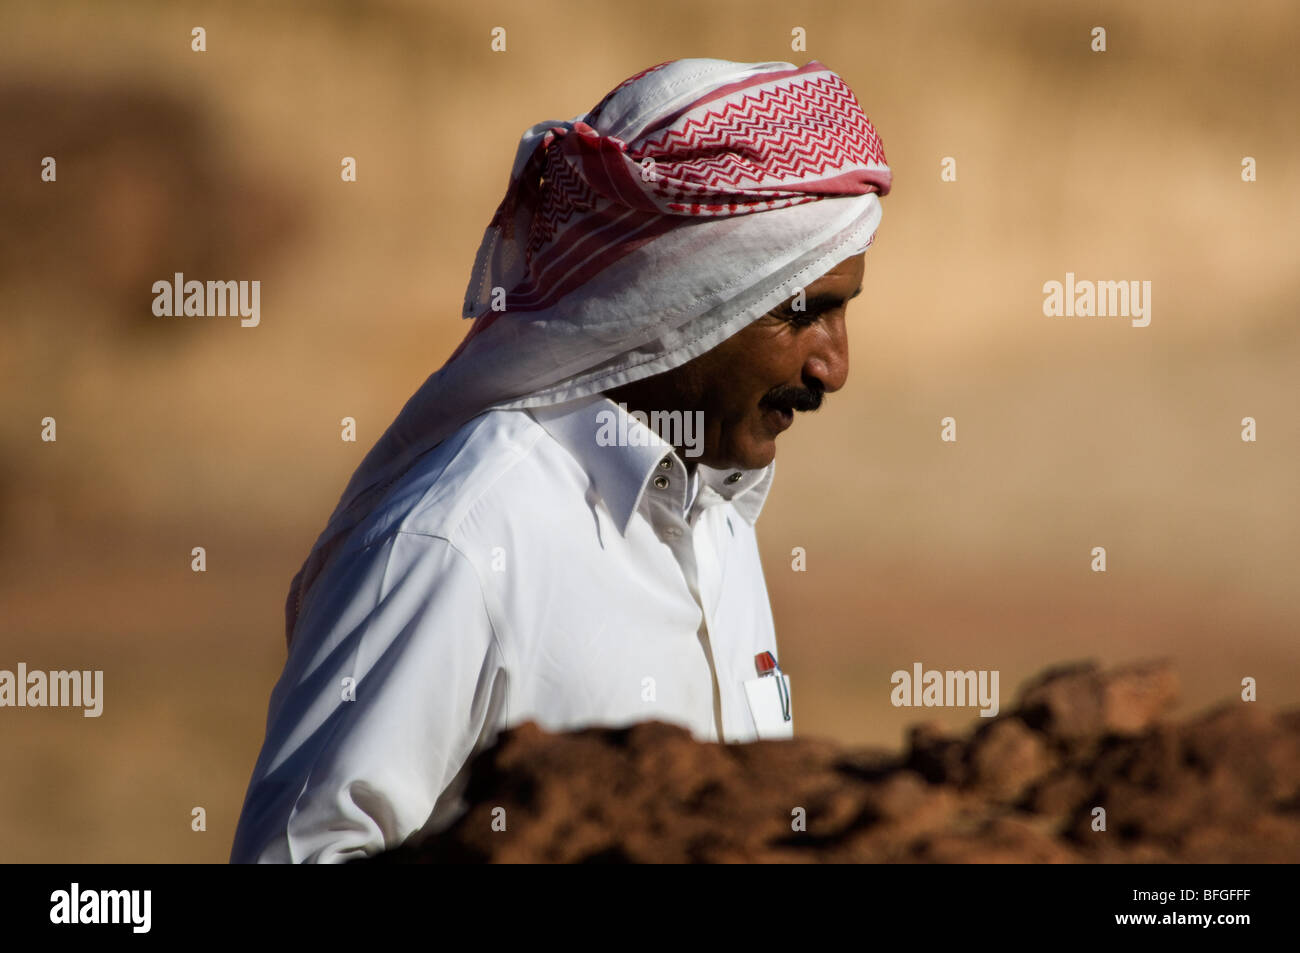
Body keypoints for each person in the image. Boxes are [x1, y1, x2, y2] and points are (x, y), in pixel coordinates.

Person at [230, 57, 891, 863]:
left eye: (842, 313)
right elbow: (296, 852)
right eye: (805, 315)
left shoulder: (710, 515)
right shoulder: (459, 541)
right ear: (682, 300)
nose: (834, 367)